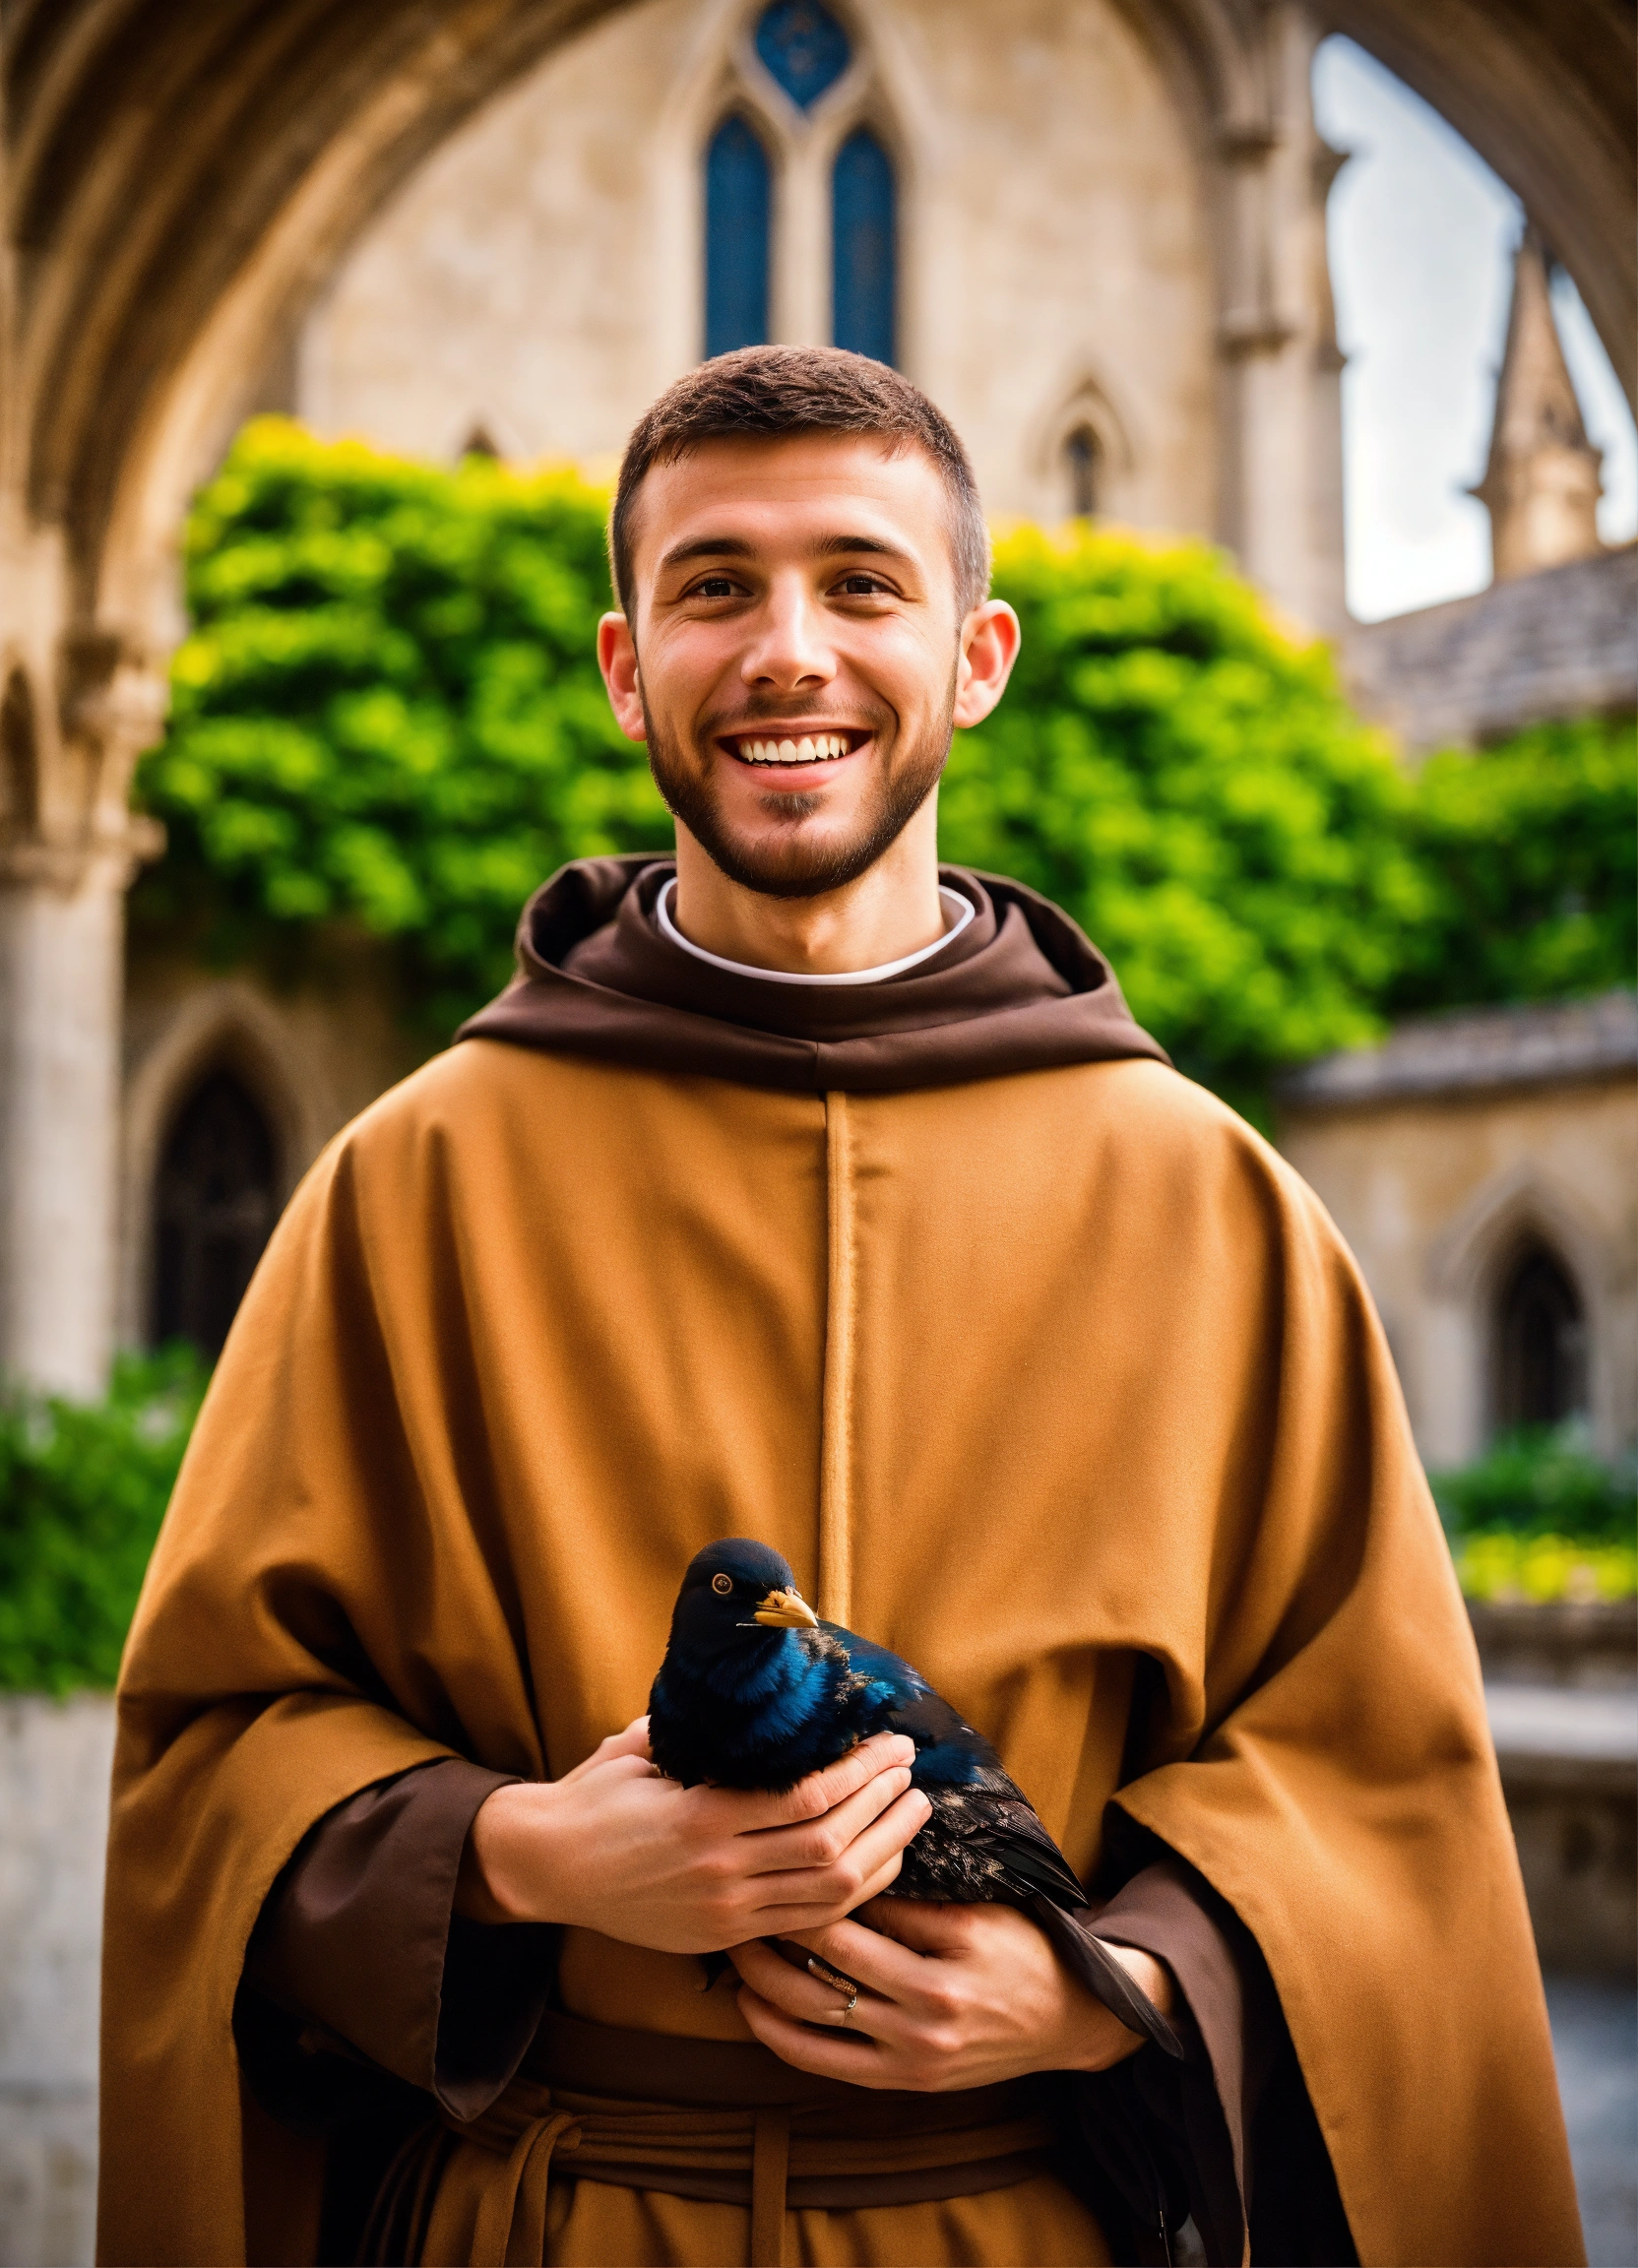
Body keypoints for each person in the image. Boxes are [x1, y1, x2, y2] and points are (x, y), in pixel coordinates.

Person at [98, 346, 1583, 2268]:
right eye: (714, 587)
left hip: (1024, 2225)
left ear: (975, 655)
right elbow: (212, 1750)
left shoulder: (1209, 1201)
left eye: (860, 583)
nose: (787, 651)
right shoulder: (418, 1182)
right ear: (630, 666)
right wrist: (524, 1853)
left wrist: (1106, 1987)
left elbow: (1382, 1793)